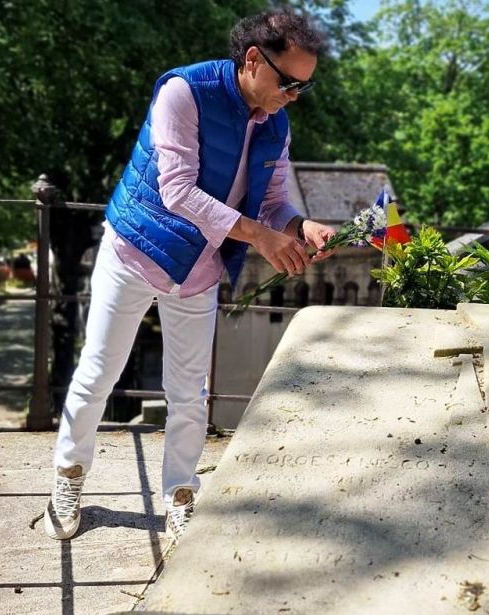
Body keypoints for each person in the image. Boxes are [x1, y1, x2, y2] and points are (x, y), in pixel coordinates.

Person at [43, 8, 335, 543]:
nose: (293, 96)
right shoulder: (184, 91)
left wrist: (298, 224)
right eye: (288, 82)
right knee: (98, 374)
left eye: (304, 88)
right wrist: (261, 238)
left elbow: (271, 200)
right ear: (253, 60)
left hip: (199, 270)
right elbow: (178, 192)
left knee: (189, 393)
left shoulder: (278, 122)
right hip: (136, 251)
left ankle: (181, 493)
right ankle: (67, 475)